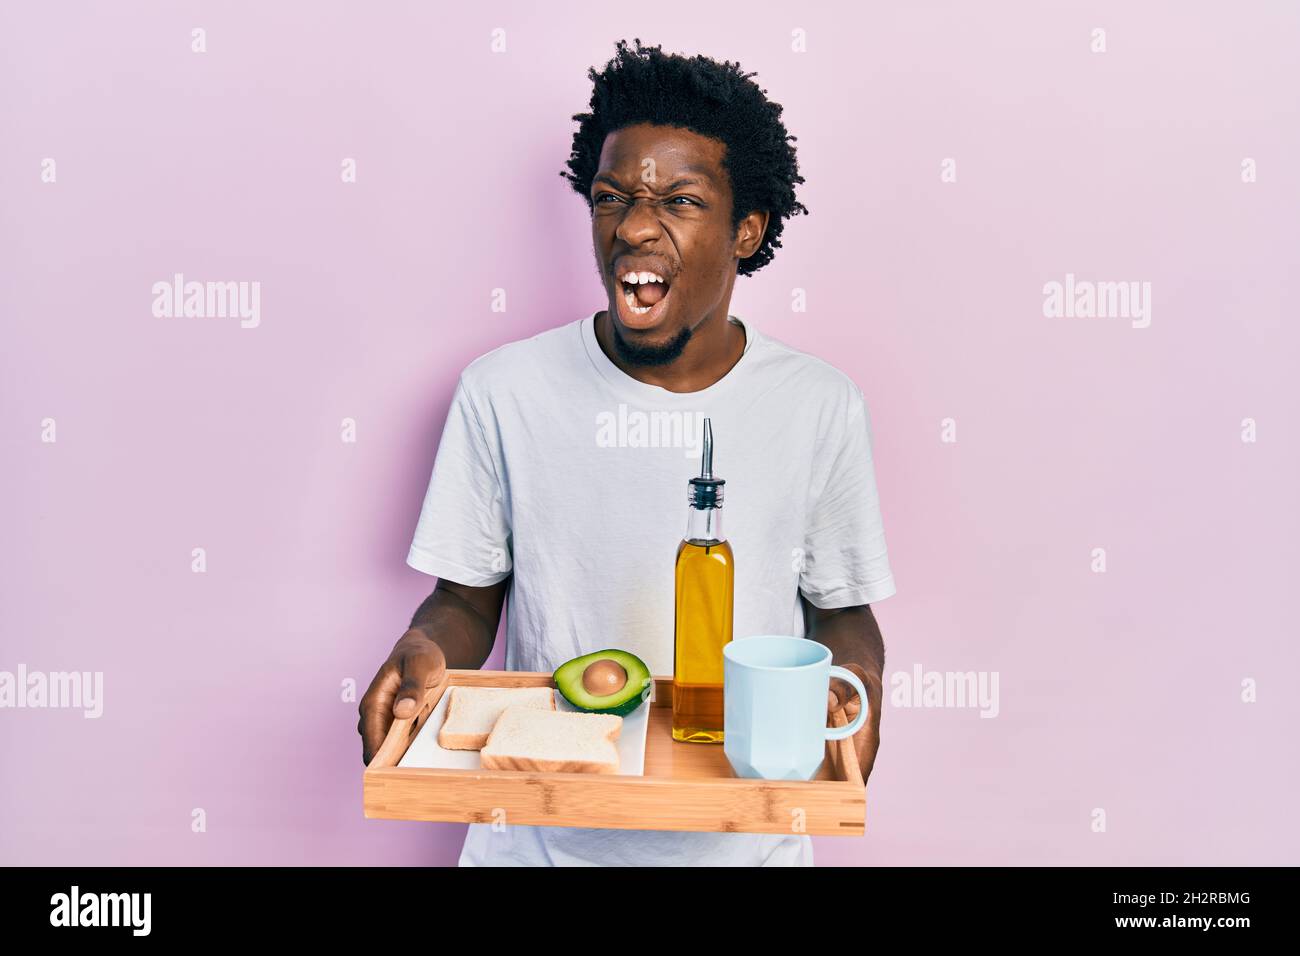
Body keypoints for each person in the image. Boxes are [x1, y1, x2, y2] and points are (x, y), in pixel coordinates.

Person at [358, 38, 896, 866]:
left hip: (745, 848)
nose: (635, 226)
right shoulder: (504, 391)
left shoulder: (818, 405)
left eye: (679, 202)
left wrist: (852, 691)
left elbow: (842, 613)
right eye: (611, 198)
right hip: (531, 845)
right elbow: (464, 601)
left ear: (746, 230)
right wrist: (424, 652)